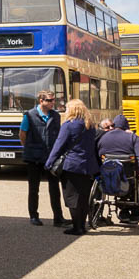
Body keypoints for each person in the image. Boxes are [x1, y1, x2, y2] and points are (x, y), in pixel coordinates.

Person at [45, 98, 99, 235]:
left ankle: (77, 227)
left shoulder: (69, 125)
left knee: (71, 197)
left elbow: (59, 144)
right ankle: (82, 225)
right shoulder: (90, 125)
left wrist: (49, 162)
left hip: (72, 165)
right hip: (88, 166)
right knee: (84, 197)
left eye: (68, 108)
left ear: (72, 110)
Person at [18, 90, 67, 227]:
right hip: (34, 158)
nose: (53, 103)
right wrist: (29, 148)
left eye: (53, 100)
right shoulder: (29, 115)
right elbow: (22, 134)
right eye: (50, 100)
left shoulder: (56, 116)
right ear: (41, 101)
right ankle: (34, 216)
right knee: (34, 188)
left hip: (51, 157)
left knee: (54, 188)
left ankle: (58, 217)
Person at [96, 114, 139, 223]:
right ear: (126, 127)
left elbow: (99, 156)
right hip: (130, 176)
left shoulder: (104, 138)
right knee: (136, 183)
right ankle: (135, 212)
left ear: (114, 125)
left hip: (110, 175)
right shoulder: (132, 137)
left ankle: (123, 211)